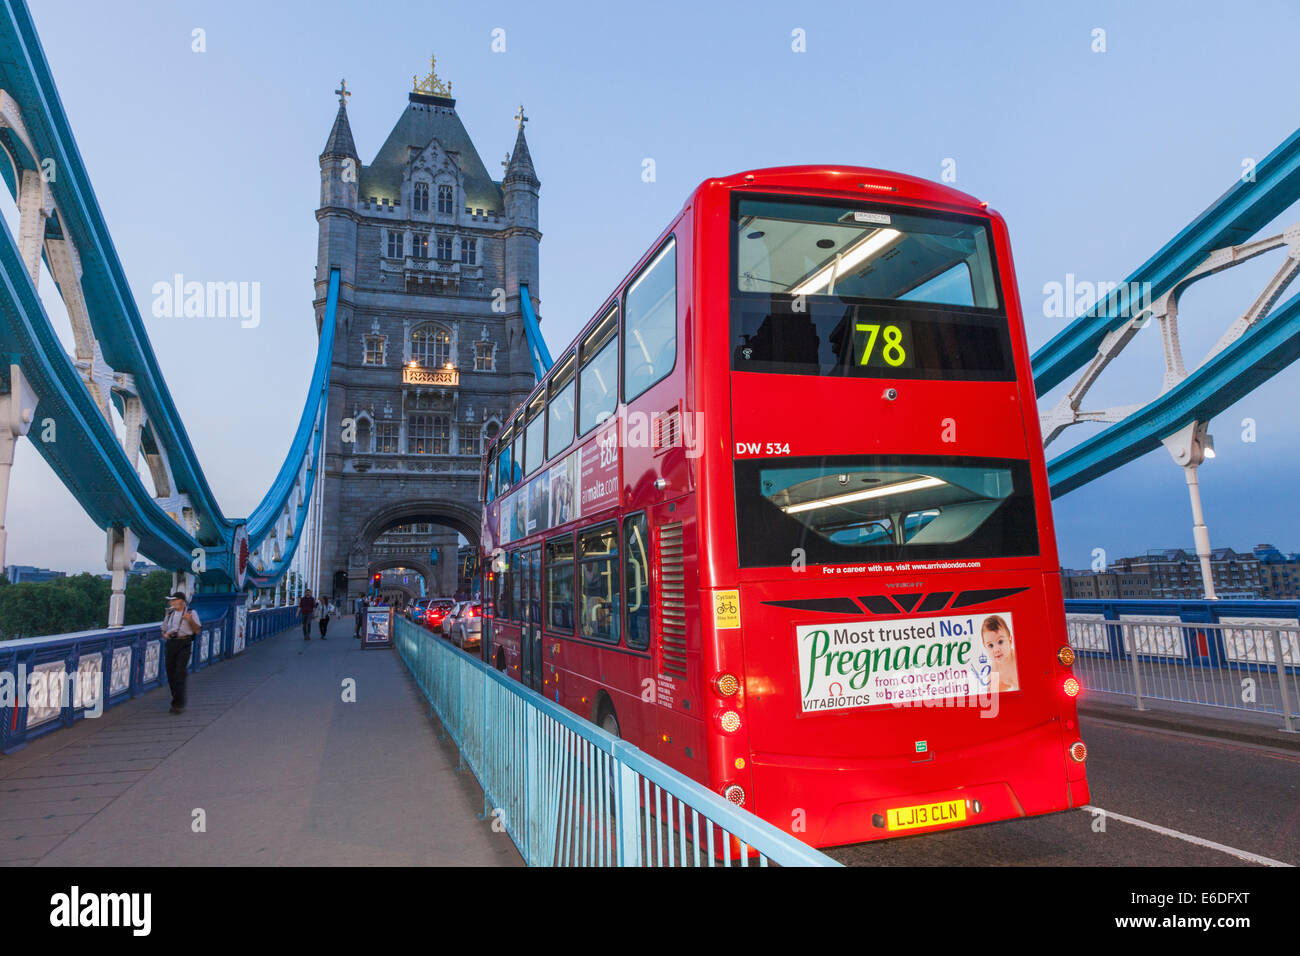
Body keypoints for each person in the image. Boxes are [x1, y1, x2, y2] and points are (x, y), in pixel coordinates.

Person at [161, 593, 201, 714]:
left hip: (184, 642)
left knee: (180, 672)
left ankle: (178, 703)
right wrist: (165, 634)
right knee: (170, 672)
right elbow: (163, 628)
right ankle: (176, 699)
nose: (171, 603)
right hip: (171, 643)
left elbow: (197, 630)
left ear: (181, 601)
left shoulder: (191, 612)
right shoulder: (170, 613)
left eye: (174, 600)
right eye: (171, 601)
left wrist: (189, 620)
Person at [980, 615, 1020, 693]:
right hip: (1010, 685)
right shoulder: (994, 669)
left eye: (1000, 642)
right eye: (990, 645)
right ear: (985, 647)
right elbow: (992, 696)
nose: (996, 650)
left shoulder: (1018, 660)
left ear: (1010, 640)